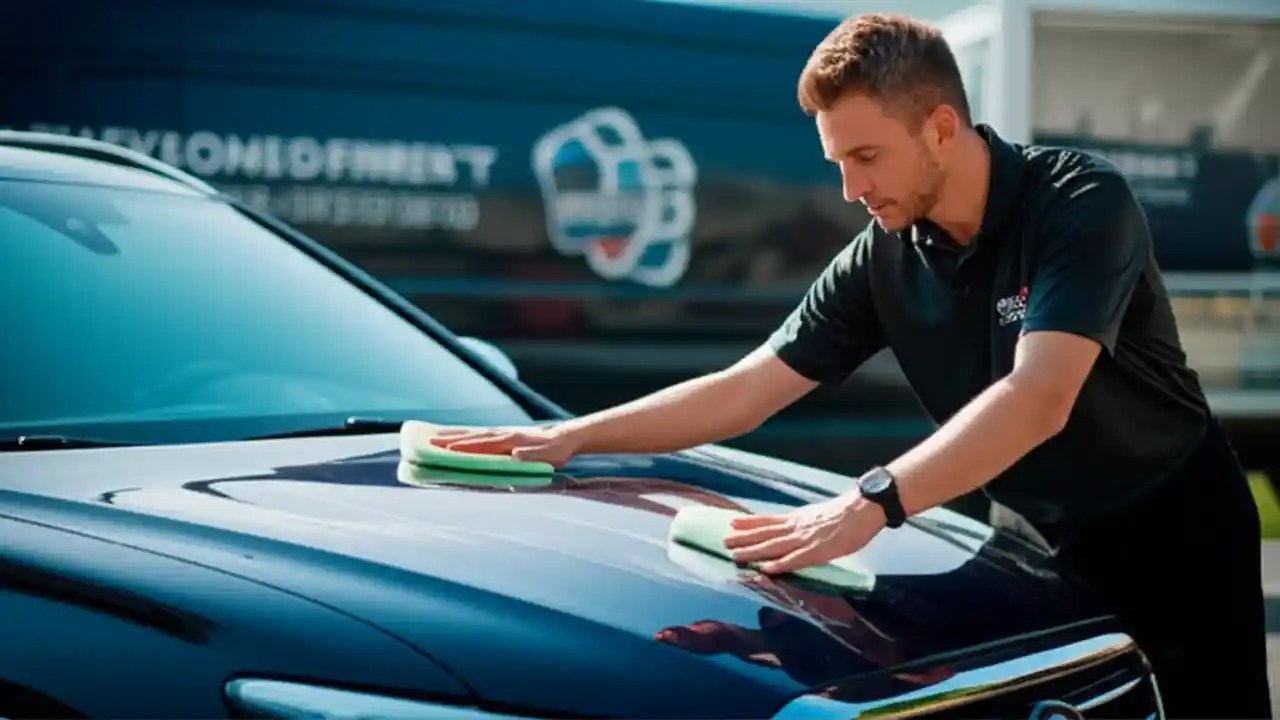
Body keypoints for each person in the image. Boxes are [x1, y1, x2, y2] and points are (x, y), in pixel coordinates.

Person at [428, 12, 1271, 717]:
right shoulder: (883, 255)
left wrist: (872, 501)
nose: (847, 189)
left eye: (864, 157)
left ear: (941, 126)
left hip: (1176, 534)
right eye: (837, 163)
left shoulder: (1080, 202)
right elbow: (750, 387)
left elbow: (1038, 396)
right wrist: (572, 437)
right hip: (1029, 534)